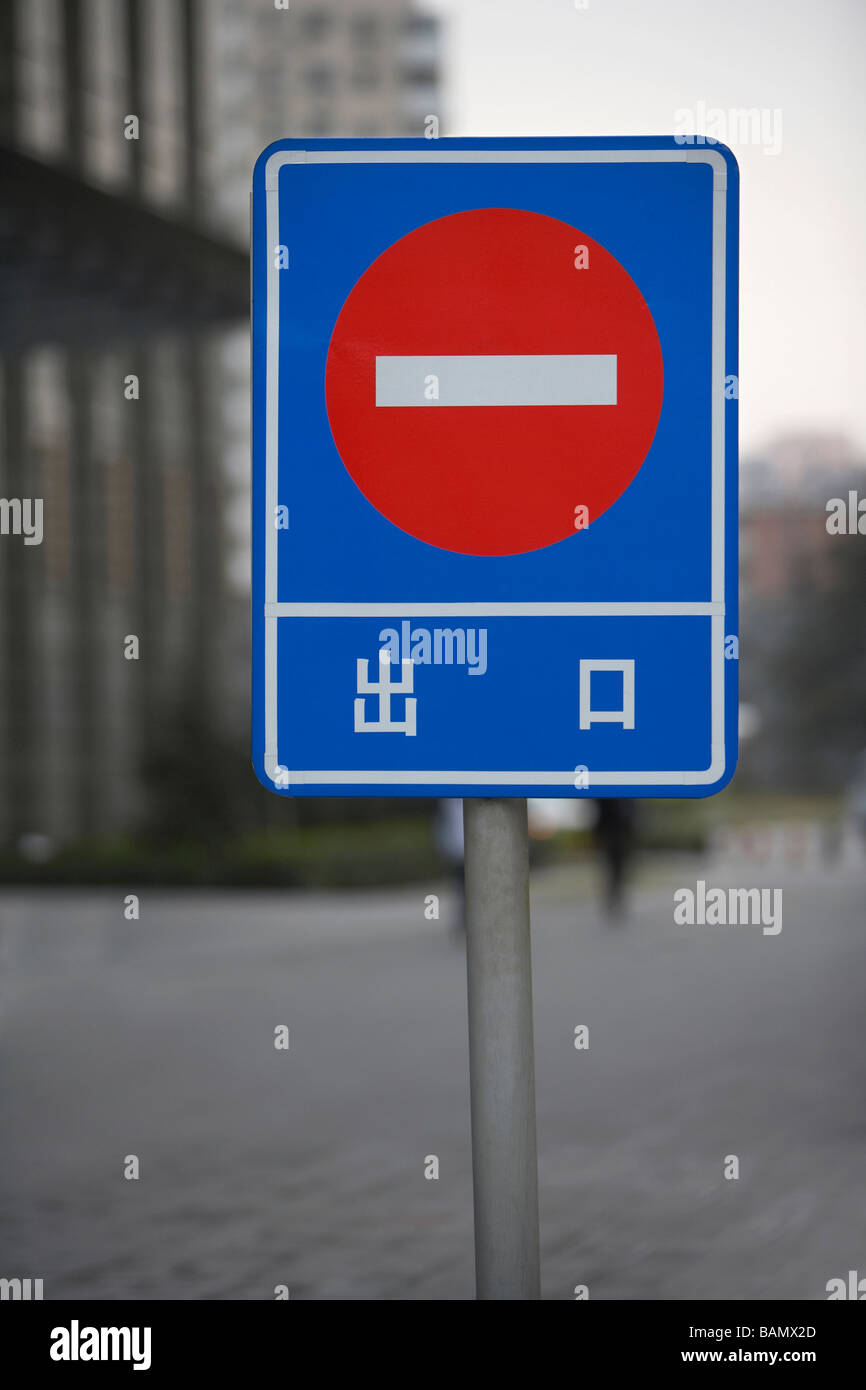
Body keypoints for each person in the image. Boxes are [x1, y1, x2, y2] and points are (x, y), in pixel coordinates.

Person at [593, 798, 637, 919]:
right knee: (612, 869)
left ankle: (616, 898)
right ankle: (613, 899)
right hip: (612, 832)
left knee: (619, 870)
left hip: (622, 831)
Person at [434, 798, 465, 934]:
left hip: (474, 851)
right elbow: (441, 826)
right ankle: (464, 920)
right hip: (458, 853)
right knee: (461, 889)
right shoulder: (448, 801)